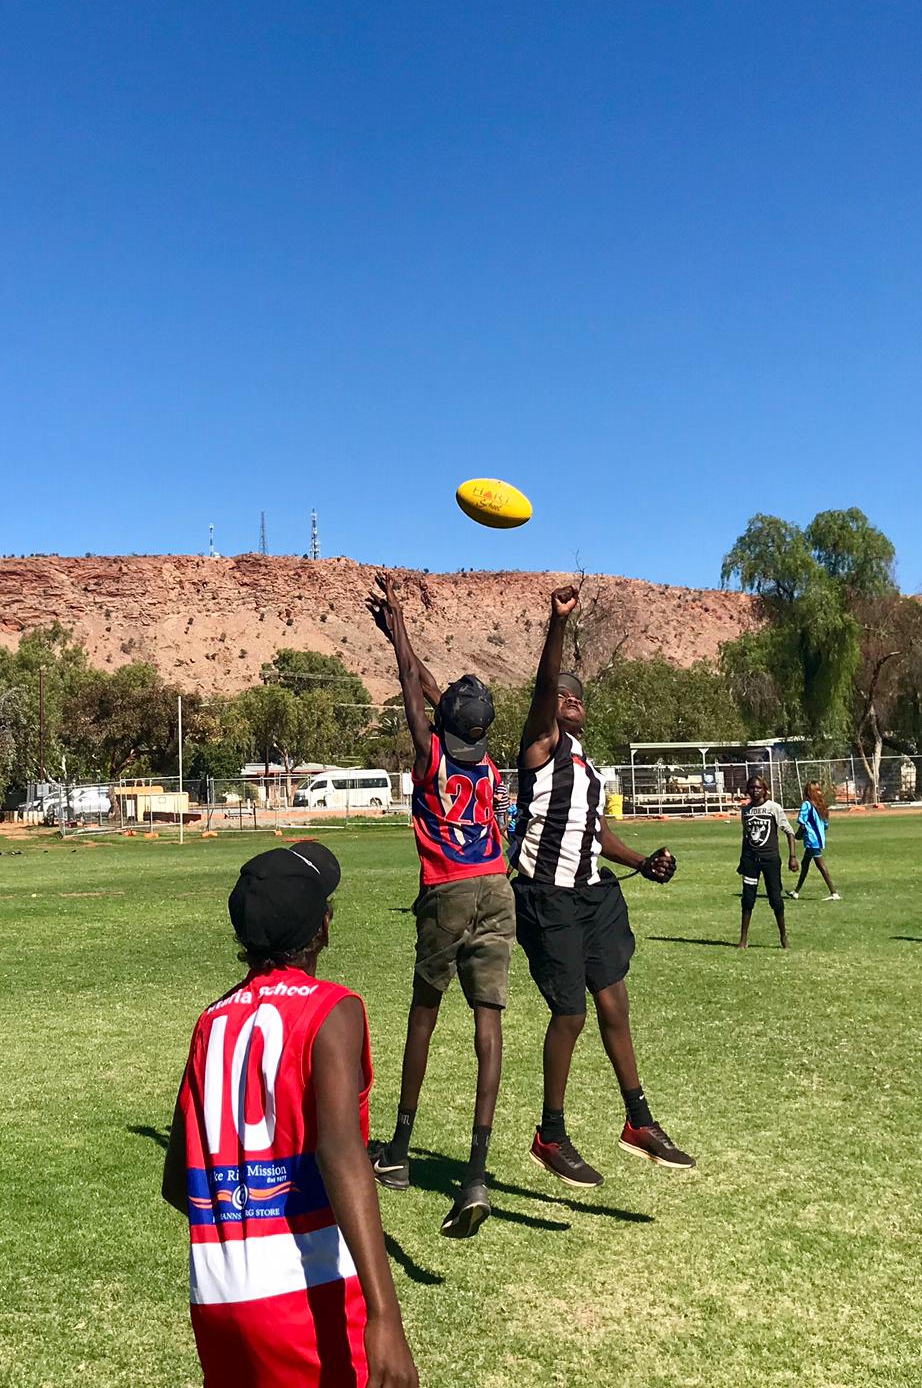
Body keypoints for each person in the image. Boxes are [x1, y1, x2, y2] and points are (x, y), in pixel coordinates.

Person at [162, 840, 418, 1388]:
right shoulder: (332, 1010)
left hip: (217, 1297)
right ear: (322, 928)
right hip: (304, 1292)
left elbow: (177, 1183)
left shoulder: (211, 1022)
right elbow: (341, 1155)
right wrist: (385, 1316)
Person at [510, 585, 693, 1188]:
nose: (570, 702)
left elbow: (597, 832)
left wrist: (642, 861)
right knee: (571, 1013)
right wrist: (557, 623)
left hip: (594, 893)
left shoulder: (587, 766)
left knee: (615, 1003)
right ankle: (550, 1134)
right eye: (562, 696)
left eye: (578, 698)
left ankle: (638, 1120)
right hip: (547, 897)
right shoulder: (540, 746)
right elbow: (544, 687)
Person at [364, 574, 513, 1239]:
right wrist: (394, 632)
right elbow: (430, 690)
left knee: (423, 1016)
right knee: (489, 1024)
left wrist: (399, 627)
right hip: (496, 885)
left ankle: (397, 1151)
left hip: (447, 889)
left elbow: (412, 689)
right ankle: (476, 1173)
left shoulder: (431, 757)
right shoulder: (486, 764)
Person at [736, 776, 794, 948]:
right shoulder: (746, 811)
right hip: (750, 860)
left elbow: (789, 832)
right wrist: (743, 860)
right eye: (752, 788)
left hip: (770, 860)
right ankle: (743, 939)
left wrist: (792, 856)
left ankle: (783, 936)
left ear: (764, 789)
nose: (755, 791)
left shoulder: (773, 808)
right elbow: (746, 836)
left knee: (775, 898)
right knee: (748, 898)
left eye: (758, 787)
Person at [787, 783, 838, 901]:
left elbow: (802, 822)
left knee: (820, 865)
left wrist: (799, 834)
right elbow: (826, 825)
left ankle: (834, 893)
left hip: (811, 839)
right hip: (818, 838)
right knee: (805, 863)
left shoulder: (807, 804)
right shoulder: (820, 806)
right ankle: (796, 891)